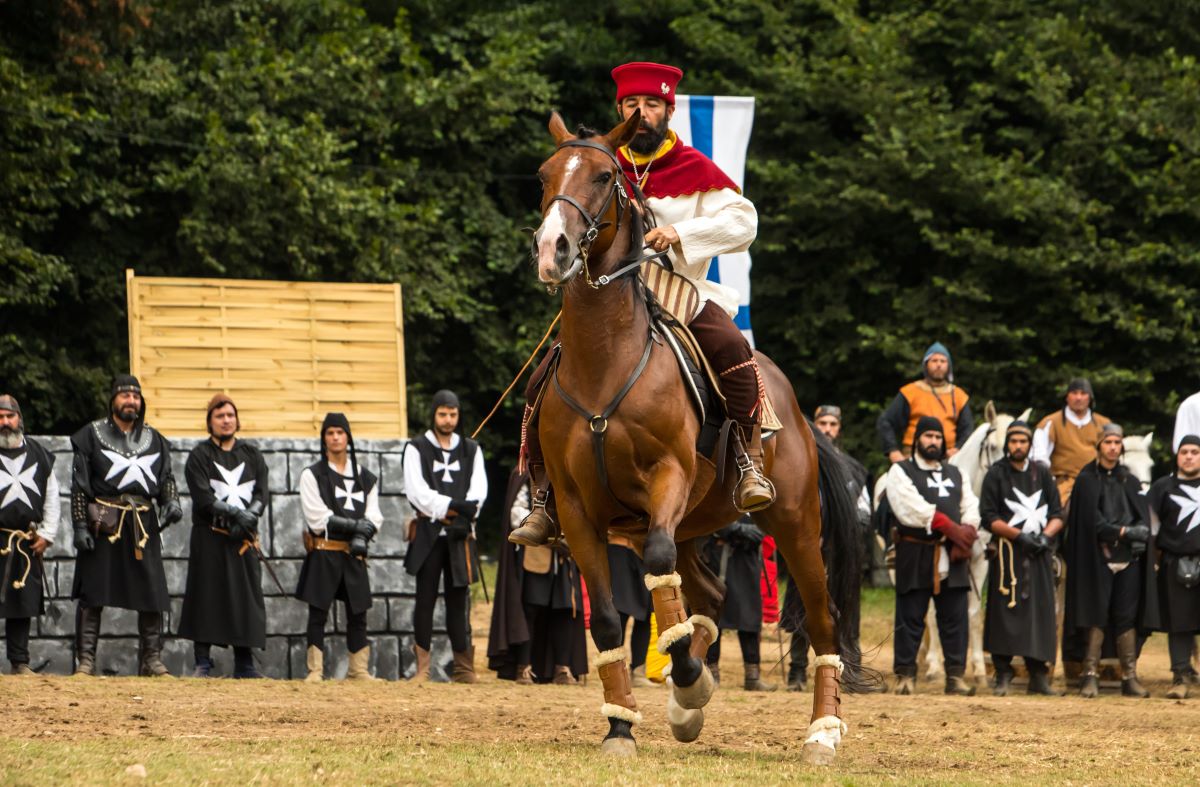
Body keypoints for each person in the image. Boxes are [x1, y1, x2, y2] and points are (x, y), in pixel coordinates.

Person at [509, 59, 770, 547]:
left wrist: (683, 232)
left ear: (667, 110)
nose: (642, 113)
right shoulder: (597, 164)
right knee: (540, 381)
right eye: (633, 104)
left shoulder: (694, 168)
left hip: (678, 293)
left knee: (732, 348)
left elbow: (745, 222)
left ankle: (750, 461)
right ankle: (543, 499)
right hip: (606, 301)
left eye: (652, 104)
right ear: (621, 111)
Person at [70, 374, 182, 677]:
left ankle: (151, 660)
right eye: (124, 395)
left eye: (135, 395)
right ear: (113, 400)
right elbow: (80, 485)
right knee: (93, 590)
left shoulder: (154, 439)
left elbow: (166, 478)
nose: (130, 400)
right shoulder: (90, 435)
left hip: (142, 524)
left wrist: (171, 501)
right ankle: (86, 661)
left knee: (151, 591)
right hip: (104, 519)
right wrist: (80, 525)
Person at [885, 416, 980, 695]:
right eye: (928, 436)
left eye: (938, 437)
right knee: (911, 615)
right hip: (916, 551)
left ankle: (955, 677)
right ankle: (905, 676)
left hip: (954, 554)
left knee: (955, 616)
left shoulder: (955, 473)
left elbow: (970, 506)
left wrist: (967, 534)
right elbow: (908, 507)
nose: (933, 442)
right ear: (917, 440)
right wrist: (950, 528)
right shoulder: (901, 471)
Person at [178, 394, 269, 678]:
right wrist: (235, 514)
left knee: (244, 597)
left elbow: (262, 493)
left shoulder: (252, 454)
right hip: (210, 536)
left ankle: (245, 664)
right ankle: (203, 662)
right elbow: (203, 496)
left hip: (242, 539)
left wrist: (250, 515)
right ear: (210, 422)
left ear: (237, 419)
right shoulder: (200, 456)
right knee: (206, 595)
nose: (226, 420)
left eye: (230, 415)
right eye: (219, 416)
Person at [403, 390, 487, 683]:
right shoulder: (416, 448)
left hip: (459, 536)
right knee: (424, 600)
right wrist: (451, 507)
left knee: (458, 600)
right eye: (442, 414)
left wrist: (464, 514)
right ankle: (422, 669)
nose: (448, 420)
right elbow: (417, 492)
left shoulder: (471, 450)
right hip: (428, 533)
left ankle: (464, 668)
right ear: (434, 415)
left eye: (453, 414)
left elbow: (478, 491)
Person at [1062, 423, 1151, 698]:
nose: (1113, 447)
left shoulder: (1130, 480)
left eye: (1117, 442)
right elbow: (1090, 521)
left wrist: (1138, 532)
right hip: (1096, 558)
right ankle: (1089, 675)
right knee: (1095, 614)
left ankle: (1129, 676)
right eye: (1108, 442)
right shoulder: (1087, 480)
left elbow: (1141, 515)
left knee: (1126, 616)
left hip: (1128, 560)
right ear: (1099, 445)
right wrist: (1122, 531)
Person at [295, 412, 383, 682]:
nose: (335, 437)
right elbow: (316, 517)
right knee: (318, 612)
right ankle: (315, 670)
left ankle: (359, 670)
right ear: (324, 438)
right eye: (330, 433)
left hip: (353, 553)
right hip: (324, 550)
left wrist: (362, 532)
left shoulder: (365, 478)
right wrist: (358, 527)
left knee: (358, 613)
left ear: (348, 437)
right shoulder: (313, 475)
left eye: (340, 432)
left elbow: (375, 515)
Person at [979, 421, 1064, 696]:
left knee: (1040, 613)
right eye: (1013, 441)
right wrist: (1019, 537)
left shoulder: (1043, 473)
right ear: (1007, 444)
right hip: (1008, 555)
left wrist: (1044, 537)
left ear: (1029, 445)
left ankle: (1038, 675)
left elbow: (1058, 514)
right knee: (1005, 612)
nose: (1018, 446)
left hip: (1039, 553)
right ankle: (1003, 673)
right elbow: (989, 517)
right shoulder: (996, 474)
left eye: (1023, 441)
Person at [487, 468, 588, 685]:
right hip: (536, 552)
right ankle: (524, 666)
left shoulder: (572, 470)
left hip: (565, 554)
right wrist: (547, 530)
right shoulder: (527, 473)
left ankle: (562, 668)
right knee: (530, 609)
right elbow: (517, 513)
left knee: (564, 609)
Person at [0, 395, 59, 674]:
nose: (5, 422)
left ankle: (19, 662)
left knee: (21, 604)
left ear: (19, 419)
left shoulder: (39, 455)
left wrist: (47, 534)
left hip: (24, 541)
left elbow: (52, 498)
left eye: (9, 416)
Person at [1146, 435, 1200, 698]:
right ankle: (1180, 676)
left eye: (1194, 452)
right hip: (1174, 562)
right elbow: (1152, 529)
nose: (1189, 456)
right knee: (1179, 622)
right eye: (1184, 452)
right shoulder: (1162, 487)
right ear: (1176, 456)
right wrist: (1157, 563)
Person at [702, 515, 777, 691]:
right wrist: (742, 531)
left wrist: (743, 532)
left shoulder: (758, 499)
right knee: (715, 619)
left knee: (749, 619)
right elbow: (721, 526)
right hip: (719, 562)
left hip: (748, 564)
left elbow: (763, 531)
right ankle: (712, 674)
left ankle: (752, 677)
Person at [877, 343, 974, 463]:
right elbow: (886, 421)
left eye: (943, 361)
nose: (939, 364)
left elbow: (967, 429)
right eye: (934, 360)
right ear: (926, 364)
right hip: (913, 458)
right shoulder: (911, 392)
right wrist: (892, 450)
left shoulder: (959, 395)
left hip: (948, 459)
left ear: (949, 366)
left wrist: (958, 448)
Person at [1032, 378, 1112, 506]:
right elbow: (1039, 459)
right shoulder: (1050, 423)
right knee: (1060, 515)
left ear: (1090, 397)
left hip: (1099, 481)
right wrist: (1049, 484)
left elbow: (1113, 455)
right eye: (1074, 393)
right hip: (1064, 484)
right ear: (1067, 397)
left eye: (1083, 393)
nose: (1078, 398)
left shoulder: (1104, 424)